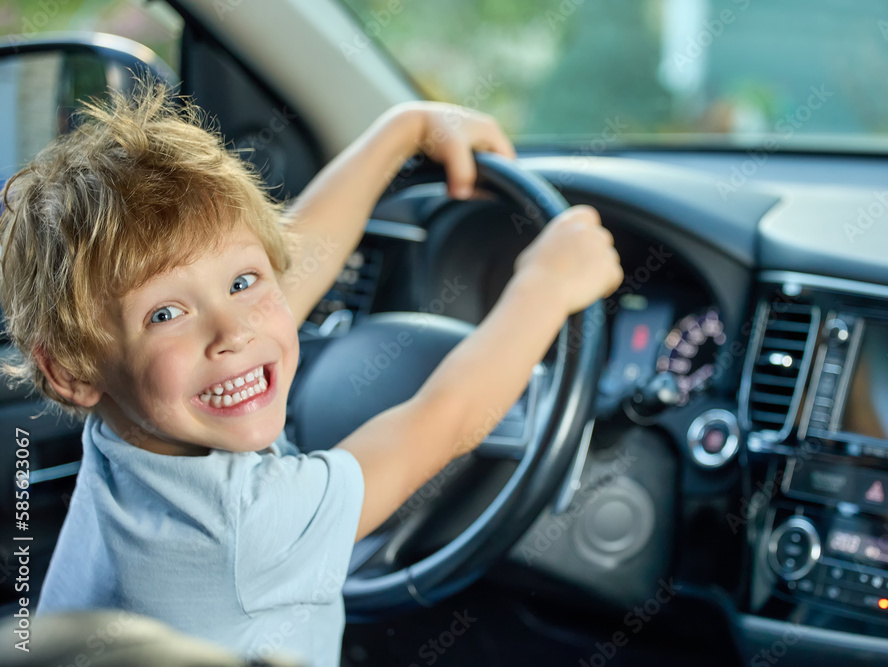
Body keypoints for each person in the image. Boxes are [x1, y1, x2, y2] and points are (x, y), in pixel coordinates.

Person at [0, 81, 623, 666]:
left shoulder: (129, 420)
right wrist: (546, 286)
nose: (235, 331)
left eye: (242, 282)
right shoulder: (238, 528)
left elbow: (289, 265)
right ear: (71, 374)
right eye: (165, 314)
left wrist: (401, 130)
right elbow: (442, 421)